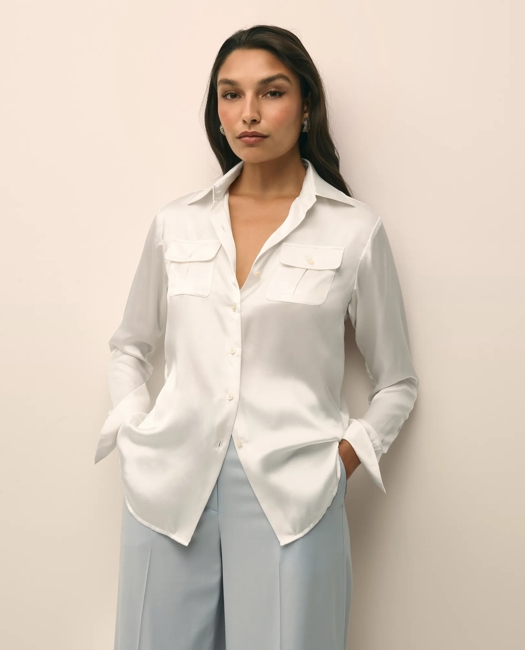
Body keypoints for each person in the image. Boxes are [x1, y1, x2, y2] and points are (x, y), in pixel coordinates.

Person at [94, 24, 419, 650]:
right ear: (216, 110)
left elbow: (398, 382)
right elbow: (129, 346)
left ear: (306, 105)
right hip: (170, 483)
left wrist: (341, 461)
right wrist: (135, 428)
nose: (248, 113)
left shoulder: (353, 231)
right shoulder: (176, 224)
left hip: (292, 494)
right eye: (230, 94)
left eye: (271, 92)